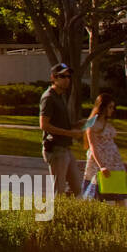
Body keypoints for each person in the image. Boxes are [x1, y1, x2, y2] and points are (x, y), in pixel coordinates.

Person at [40, 62, 84, 197]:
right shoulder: (49, 98)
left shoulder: (60, 97)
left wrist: (77, 124)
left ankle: (74, 216)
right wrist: (70, 133)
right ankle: (55, 217)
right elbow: (44, 125)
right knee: (58, 191)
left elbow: (61, 123)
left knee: (78, 188)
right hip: (55, 148)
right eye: (63, 76)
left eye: (68, 76)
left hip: (65, 148)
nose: (67, 80)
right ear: (53, 77)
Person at [82, 92, 127, 204]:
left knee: (119, 194)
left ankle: (120, 219)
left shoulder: (107, 122)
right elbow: (93, 146)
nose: (112, 110)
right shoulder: (92, 123)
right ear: (102, 107)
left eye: (113, 107)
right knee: (96, 195)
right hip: (100, 162)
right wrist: (102, 166)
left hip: (114, 163)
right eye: (110, 107)